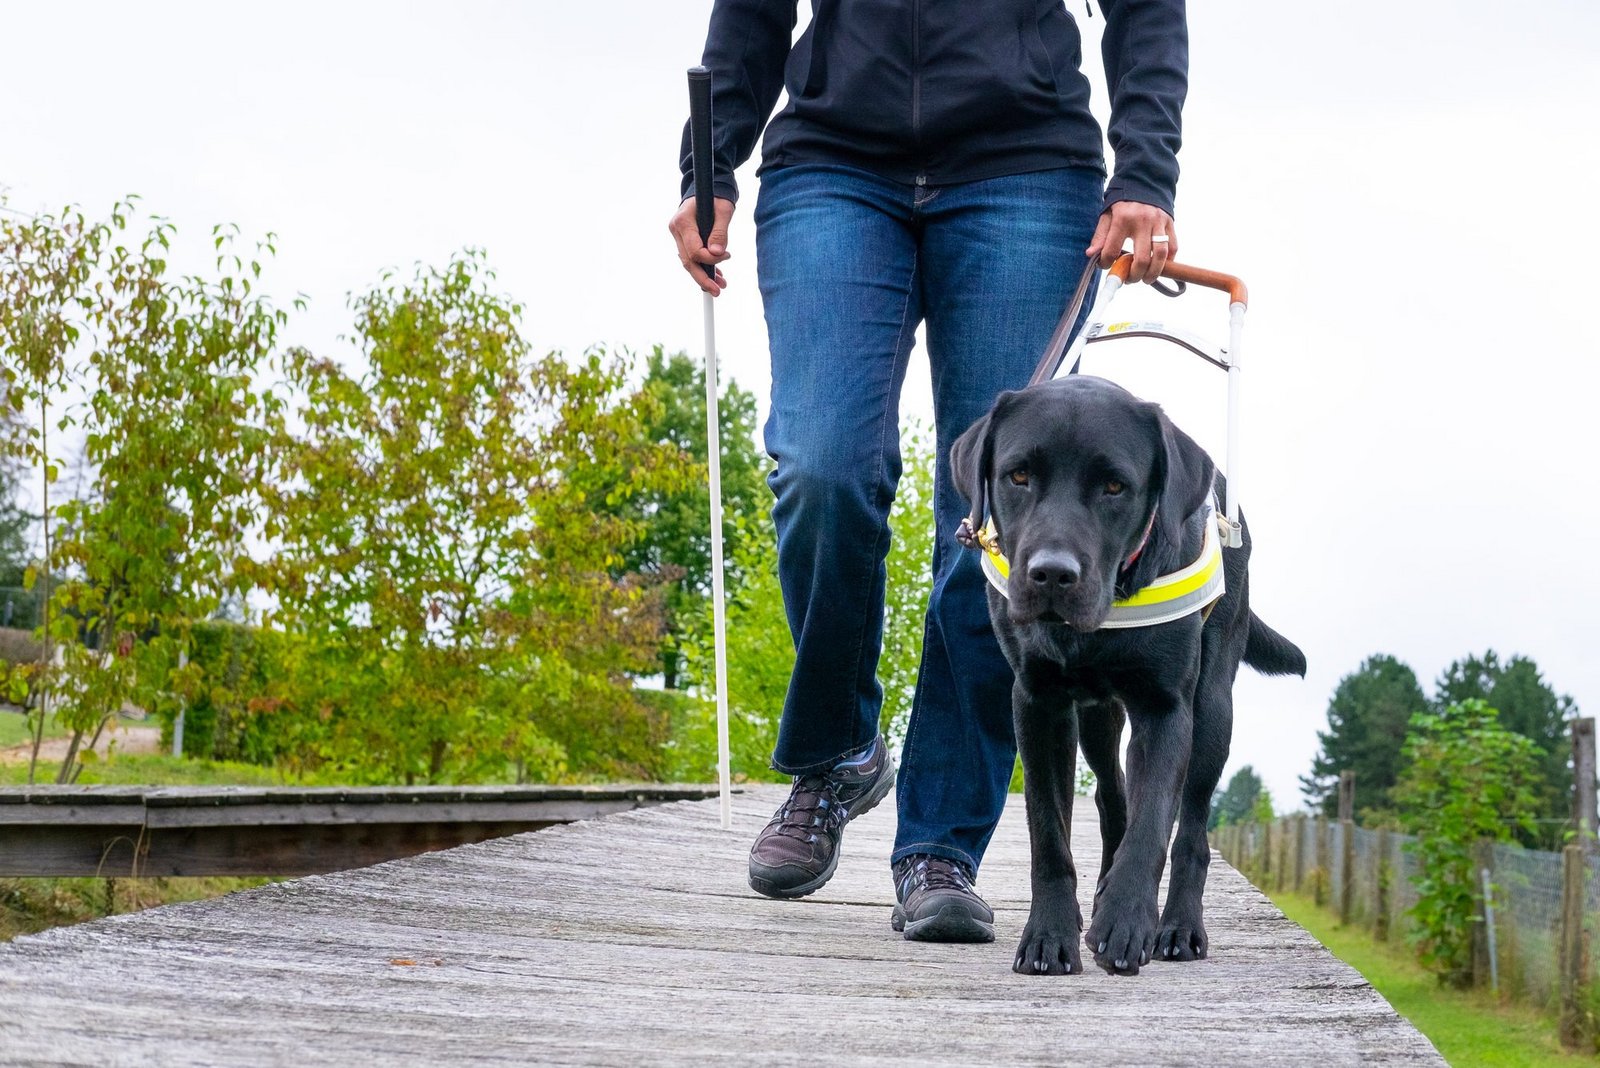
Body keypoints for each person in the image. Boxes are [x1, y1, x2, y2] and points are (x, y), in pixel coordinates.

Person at [668, 0, 1187, 943]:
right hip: (831, 161)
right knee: (822, 466)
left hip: (1029, 168)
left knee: (996, 523)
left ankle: (941, 848)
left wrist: (1146, 168)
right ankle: (838, 752)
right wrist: (710, 164)